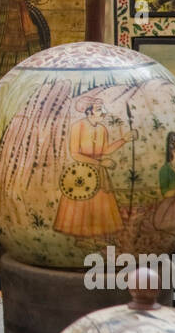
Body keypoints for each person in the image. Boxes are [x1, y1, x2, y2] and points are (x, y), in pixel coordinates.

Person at [54, 94, 134, 237]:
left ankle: (97, 235)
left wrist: (124, 140)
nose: (103, 112)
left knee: (101, 203)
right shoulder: (77, 126)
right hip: (82, 172)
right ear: (88, 111)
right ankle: (79, 234)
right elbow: (75, 154)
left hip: (98, 171)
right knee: (80, 203)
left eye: (102, 109)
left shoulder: (102, 129)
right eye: (98, 109)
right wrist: (99, 162)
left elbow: (105, 150)